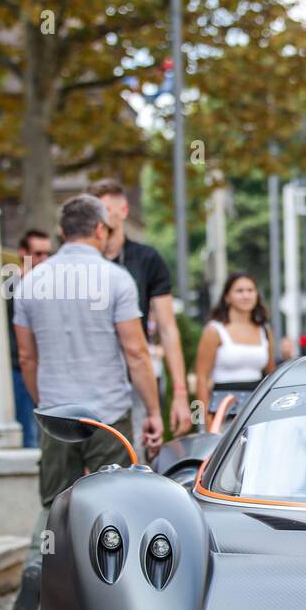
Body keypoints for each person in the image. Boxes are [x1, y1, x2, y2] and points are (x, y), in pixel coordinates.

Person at [9, 194, 163, 610]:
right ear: (100, 230)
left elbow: (26, 357)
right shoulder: (116, 279)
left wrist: (45, 403)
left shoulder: (32, 282)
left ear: (61, 232)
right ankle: (108, 600)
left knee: (55, 502)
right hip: (107, 413)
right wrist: (152, 409)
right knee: (114, 503)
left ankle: (38, 565)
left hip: (56, 411)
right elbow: (135, 352)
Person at [86, 179, 192, 447]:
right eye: (96, 209)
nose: (102, 216)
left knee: (137, 453)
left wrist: (180, 393)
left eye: (107, 209)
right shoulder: (82, 264)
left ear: (124, 211)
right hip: (89, 374)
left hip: (136, 372)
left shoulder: (146, 259)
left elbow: (168, 328)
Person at [195, 272, 275, 417]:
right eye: (239, 291)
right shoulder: (214, 330)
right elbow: (201, 378)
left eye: (250, 290)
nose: (246, 296)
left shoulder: (264, 329)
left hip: (256, 408)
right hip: (222, 409)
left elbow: (271, 374)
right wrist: (201, 420)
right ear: (227, 297)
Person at [6, 229, 52, 448]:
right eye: (38, 254)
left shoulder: (47, 286)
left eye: (47, 254)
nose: (44, 260)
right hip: (19, 369)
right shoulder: (12, 285)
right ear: (23, 253)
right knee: (30, 435)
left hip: (45, 370)